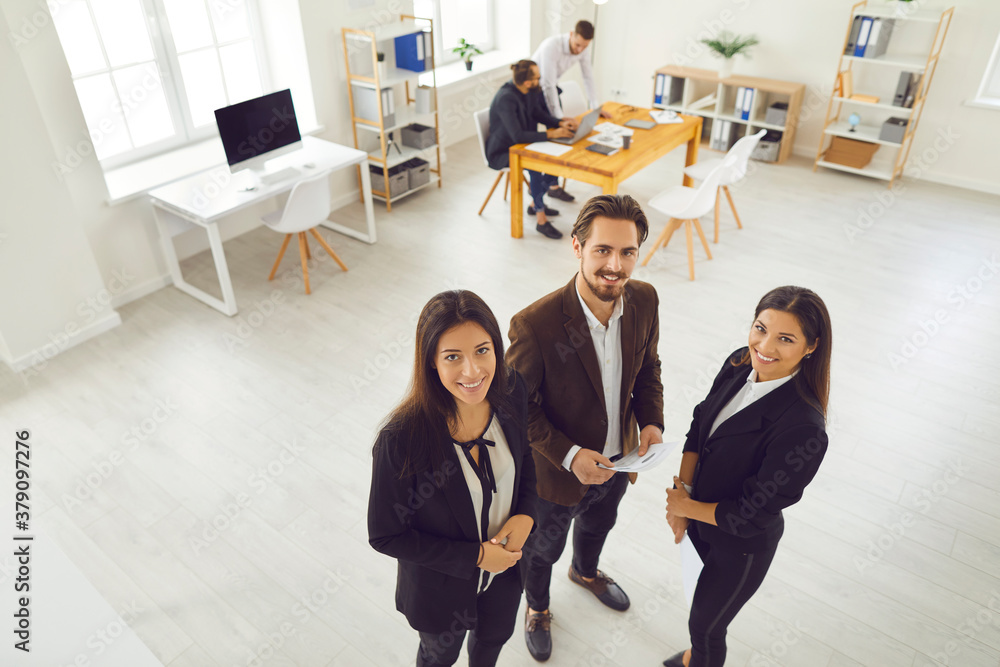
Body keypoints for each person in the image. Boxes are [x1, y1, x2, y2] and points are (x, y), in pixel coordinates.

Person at [506, 194, 664, 662]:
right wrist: (571, 456)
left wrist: (652, 422)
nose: (615, 265)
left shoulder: (645, 300)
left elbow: (648, 368)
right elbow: (516, 409)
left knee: (599, 525)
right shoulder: (534, 325)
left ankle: (586, 571)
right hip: (555, 477)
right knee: (541, 552)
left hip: (619, 463)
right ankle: (537, 607)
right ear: (577, 247)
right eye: (602, 250)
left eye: (628, 252)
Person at [663, 286, 833, 667]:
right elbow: (700, 424)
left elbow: (749, 514)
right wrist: (682, 496)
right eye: (761, 328)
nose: (765, 347)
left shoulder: (804, 428)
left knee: (706, 628)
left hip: (739, 546)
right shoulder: (740, 361)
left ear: (811, 347)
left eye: (785, 339)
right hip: (700, 522)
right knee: (700, 601)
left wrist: (686, 506)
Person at [368, 290, 538, 667]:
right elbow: (385, 534)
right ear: (431, 361)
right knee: (438, 656)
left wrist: (527, 514)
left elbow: (525, 458)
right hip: (439, 592)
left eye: (482, 350)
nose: (473, 371)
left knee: (492, 642)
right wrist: (476, 556)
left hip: (506, 574)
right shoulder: (401, 441)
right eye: (452, 357)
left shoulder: (513, 390)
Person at [485, 59, 577, 240]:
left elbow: (537, 114)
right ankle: (541, 220)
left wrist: (559, 123)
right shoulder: (506, 99)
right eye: (538, 77)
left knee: (555, 159)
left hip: (524, 145)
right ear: (527, 82)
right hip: (504, 151)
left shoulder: (528, 91)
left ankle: (536, 202)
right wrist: (553, 134)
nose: (540, 80)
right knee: (535, 169)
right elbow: (517, 135)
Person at [530, 20, 612, 203]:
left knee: (562, 139)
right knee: (555, 136)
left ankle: (553, 186)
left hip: (550, 88)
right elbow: (548, 85)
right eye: (577, 45)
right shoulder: (551, 46)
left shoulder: (582, 48)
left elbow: (588, 77)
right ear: (571, 34)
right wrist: (559, 121)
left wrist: (595, 107)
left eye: (584, 46)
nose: (579, 50)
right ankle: (538, 195)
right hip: (533, 92)